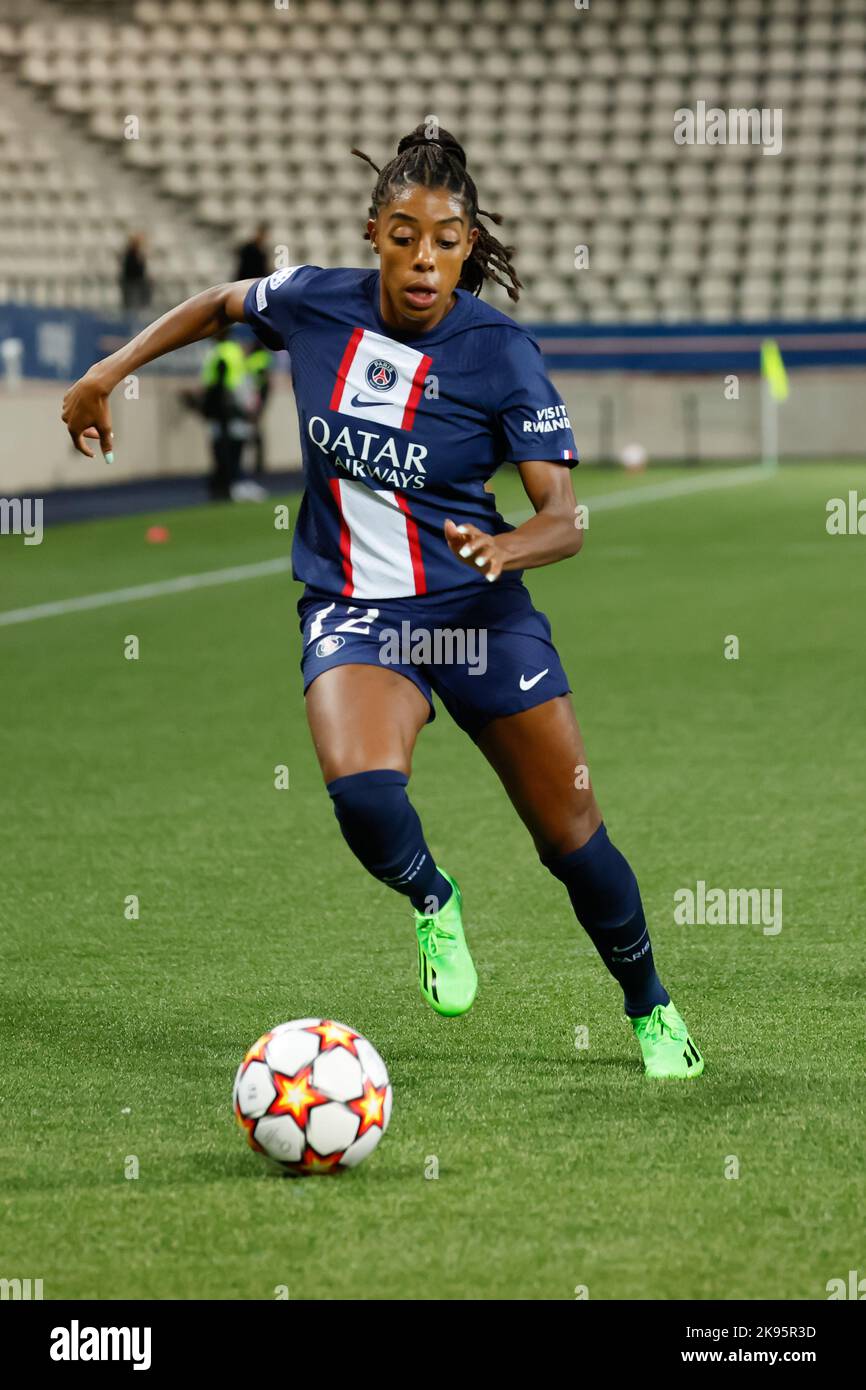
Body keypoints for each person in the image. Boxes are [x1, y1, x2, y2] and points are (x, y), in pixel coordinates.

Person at [62, 125, 704, 1080]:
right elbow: (219, 303)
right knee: (362, 790)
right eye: (404, 234)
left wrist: (505, 546)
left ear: (468, 246)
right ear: (375, 232)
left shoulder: (499, 354)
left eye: (446, 239)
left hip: (479, 614)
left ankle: (650, 1006)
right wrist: (107, 371)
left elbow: (564, 518)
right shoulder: (317, 302)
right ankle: (434, 898)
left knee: (572, 838)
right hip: (356, 608)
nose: (424, 258)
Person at [119, 232, 151, 313]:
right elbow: (130, 268)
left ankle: (141, 310)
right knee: (130, 303)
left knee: (136, 301)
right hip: (131, 282)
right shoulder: (130, 254)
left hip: (136, 282)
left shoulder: (137, 254)